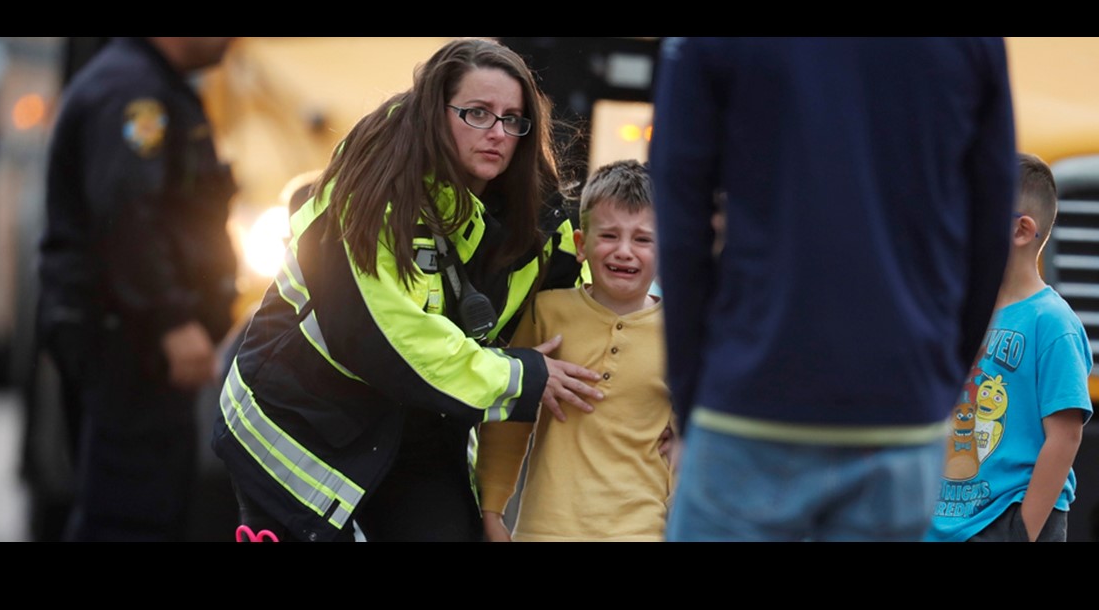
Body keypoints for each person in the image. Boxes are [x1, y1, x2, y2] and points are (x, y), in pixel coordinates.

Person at [211, 37, 602, 542]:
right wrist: (519, 376)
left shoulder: (535, 220)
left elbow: (589, 312)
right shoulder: (369, 197)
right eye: (477, 113)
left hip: (415, 428)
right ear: (434, 115)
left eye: (512, 119)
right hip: (303, 426)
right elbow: (389, 338)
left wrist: (648, 402)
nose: (498, 133)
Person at [649, 37, 1019, 541]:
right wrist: (936, 382)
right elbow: (991, 221)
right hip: (900, 402)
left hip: (751, 395)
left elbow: (680, 212)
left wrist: (695, 396)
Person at [37, 37, 239, 541]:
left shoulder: (153, 84)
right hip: (129, 341)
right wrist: (172, 321)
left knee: (149, 506)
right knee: (127, 515)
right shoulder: (133, 93)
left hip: (135, 337)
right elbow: (128, 219)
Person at [476, 159, 671, 542]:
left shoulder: (682, 335)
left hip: (644, 530)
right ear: (581, 246)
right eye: (609, 235)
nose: (625, 251)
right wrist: (492, 507)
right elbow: (510, 417)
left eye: (643, 239)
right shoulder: (546, 311)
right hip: (545, 529)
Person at [926, 153, 1093, 542]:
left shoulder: (1051, 322)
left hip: (1007, 519)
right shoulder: (961, 313)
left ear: (1020, 231)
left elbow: (1065, 436)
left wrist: (1024, 530)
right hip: (943, 521)